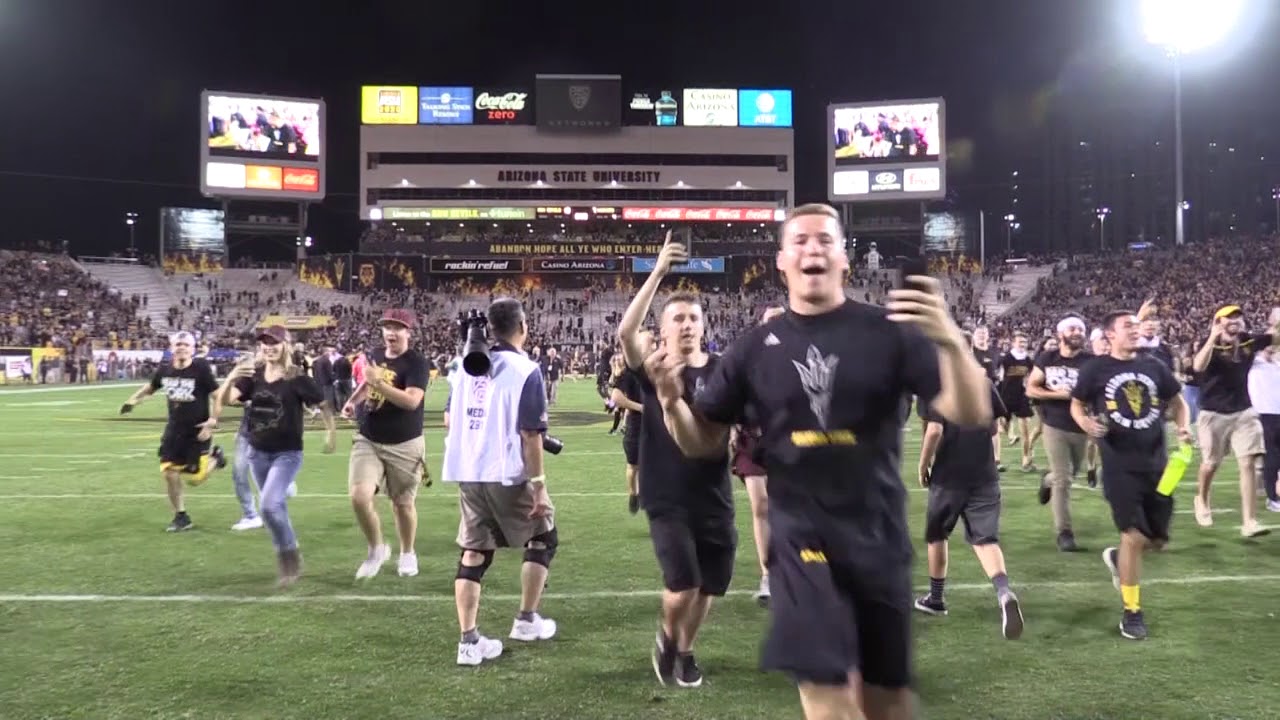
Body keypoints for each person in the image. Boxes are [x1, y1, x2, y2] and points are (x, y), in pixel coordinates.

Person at [645, 203, 991, 720]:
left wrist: (952, 343)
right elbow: (703, 444)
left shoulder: (889, 332)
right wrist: (672, 402)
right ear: (782, 260)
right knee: (826, 696)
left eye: (825, 240)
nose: (813, 248)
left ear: (844, 258)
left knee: (886, 704)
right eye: (800, 240)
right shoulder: (755, 348)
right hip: (801, 542)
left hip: (878, 540)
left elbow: (970, 410)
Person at [619, 236, 736, 690]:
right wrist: (658, 274)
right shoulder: (651, 370)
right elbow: (627, 333)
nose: (686, 325)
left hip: (714, 496)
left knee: (709, 586)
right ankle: (669, 638)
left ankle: (685, 650)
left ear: (703, 326)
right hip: (667, 496)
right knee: (683, 583)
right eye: (677, 318)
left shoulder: (722, 371)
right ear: (663, 330)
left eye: (693, 318)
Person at [441, 298, 557, 666]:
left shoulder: (462, 365)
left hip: (468, 472)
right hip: (505, 472)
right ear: (522, 325)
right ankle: (525, 620)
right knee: (543, 536)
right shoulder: (526, 369)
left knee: (474, 553)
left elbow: (449, 419)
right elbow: (530, 435)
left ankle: (468, 642)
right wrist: (538, 484)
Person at [1070, 310, 1191, 640]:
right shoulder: (1095, 369)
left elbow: (1179, 403)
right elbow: (1077, 405)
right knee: (1134, 537)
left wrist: (1183, 428)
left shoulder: (1154, 366)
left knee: (1158, 541)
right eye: (1128, 327)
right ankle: (1132, 611)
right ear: (1110, 334)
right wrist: (1085, 423)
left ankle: (1117, 557)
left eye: (1137, 327)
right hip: (1119, 466)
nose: (1136, 331)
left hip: (1159, 465)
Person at [219, 326, 336, 586]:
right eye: (265, 343)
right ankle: (287, 542)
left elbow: (322, 404)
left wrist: (331, 432)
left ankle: (288, 556)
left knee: (269, 506)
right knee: (274, 508)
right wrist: (231, 377)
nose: (269, 347)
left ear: (285, 345)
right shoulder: (253, 376)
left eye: (274, 343)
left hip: (287, 453)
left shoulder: (296, 377)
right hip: (257, 453)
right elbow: (227, 399)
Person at [915, 380, 1024, 640]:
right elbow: (995, 426)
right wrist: (994, 460)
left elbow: (933, 431)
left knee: (937, 535)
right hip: (984, 473)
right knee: (986, 540)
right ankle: (1003, 592)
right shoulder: (984, 383)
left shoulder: (937, 385)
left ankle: (936, 599)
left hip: (949, 477)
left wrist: (923, 466)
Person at [341, 309, 431, 579]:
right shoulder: (375, 353)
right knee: (359, 496)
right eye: (387, 327)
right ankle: (376, 548)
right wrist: (353, 401)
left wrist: (379, 382)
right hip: (369, 437)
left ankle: (407, 552)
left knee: (402, 504)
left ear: (408, 332)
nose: (391, 332)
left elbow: (412, 401)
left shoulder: (417, 363)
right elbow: (367, 384)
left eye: (398, 328)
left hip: (405, 442)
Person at [120, 331, 227, 532]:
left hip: (197, 431)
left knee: (195, 479)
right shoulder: (165, 370)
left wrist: (212, 421)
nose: (182, 347)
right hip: (174, 430)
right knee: (169, 472)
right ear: (171, 348)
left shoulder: (201, 369)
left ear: (192, 349)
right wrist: (132, 400)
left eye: (186, 344)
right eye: (178, 344)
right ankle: (180, 516)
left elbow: (217, 395)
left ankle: (216, 459)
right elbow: (150, 387)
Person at [1190, 305, 1275, 537]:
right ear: (1218, 322)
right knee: (1210, 463)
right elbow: (1197, 366)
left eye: (1237, 316)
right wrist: (1212, 338)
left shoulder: (1248, 342)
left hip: (1243, 411)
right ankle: (1202, 498)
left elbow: (1275, 337)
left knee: (1247, 462)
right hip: (1213, 412)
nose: (1234, 320)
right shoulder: (1208, 343)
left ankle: (1249, 522)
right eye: (1228, 317)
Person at [730, 305, 786, 608]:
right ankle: (768, 574)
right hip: (753, 441)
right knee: (761, 505)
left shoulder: (801, 355)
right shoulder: (749, 359)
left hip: (790, 445)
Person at [1027, 316, 1091, 552]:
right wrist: (1058, 394)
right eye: (1072, 328)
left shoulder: (1090, 361)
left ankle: (1047, 479)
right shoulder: (1047, 358)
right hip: (1054, 423)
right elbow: (1031, 387)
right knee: (1064, 480)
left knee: (1070, 473)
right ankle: (1064, 532)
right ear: (1060, 333)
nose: (1077, 332)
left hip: (1080, 425)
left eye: (1081, 329)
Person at [610, 337, 653, 515]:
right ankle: (633, 493)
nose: (653, 346)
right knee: (633, 466)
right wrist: (641, 408)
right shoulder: (630, 373)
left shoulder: (657, 369)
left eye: (654, 342)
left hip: (655, 426)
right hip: (636, 426)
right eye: (649, 342)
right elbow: (616, 397)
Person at [998, 332, 1037, 472]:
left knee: (1025, 429)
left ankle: (1026, 460)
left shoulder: (1027, 360)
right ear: (1013, 343)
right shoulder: (1005, 358)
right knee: (1001, 428)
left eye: (1024, 343)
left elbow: (1033, 374)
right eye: (1020, 342)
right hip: (1005, 396)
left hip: (1021, 396)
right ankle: (995, 460)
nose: (1022, 345)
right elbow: (997, 375)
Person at [1249, 343, 1280, 512]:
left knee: (1275, 458)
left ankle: (1270, 491)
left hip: (1278, 414)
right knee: (1272, 458)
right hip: (1263, 415)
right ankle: (1272, 498)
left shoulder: (1277, 365)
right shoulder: (1254, 363)